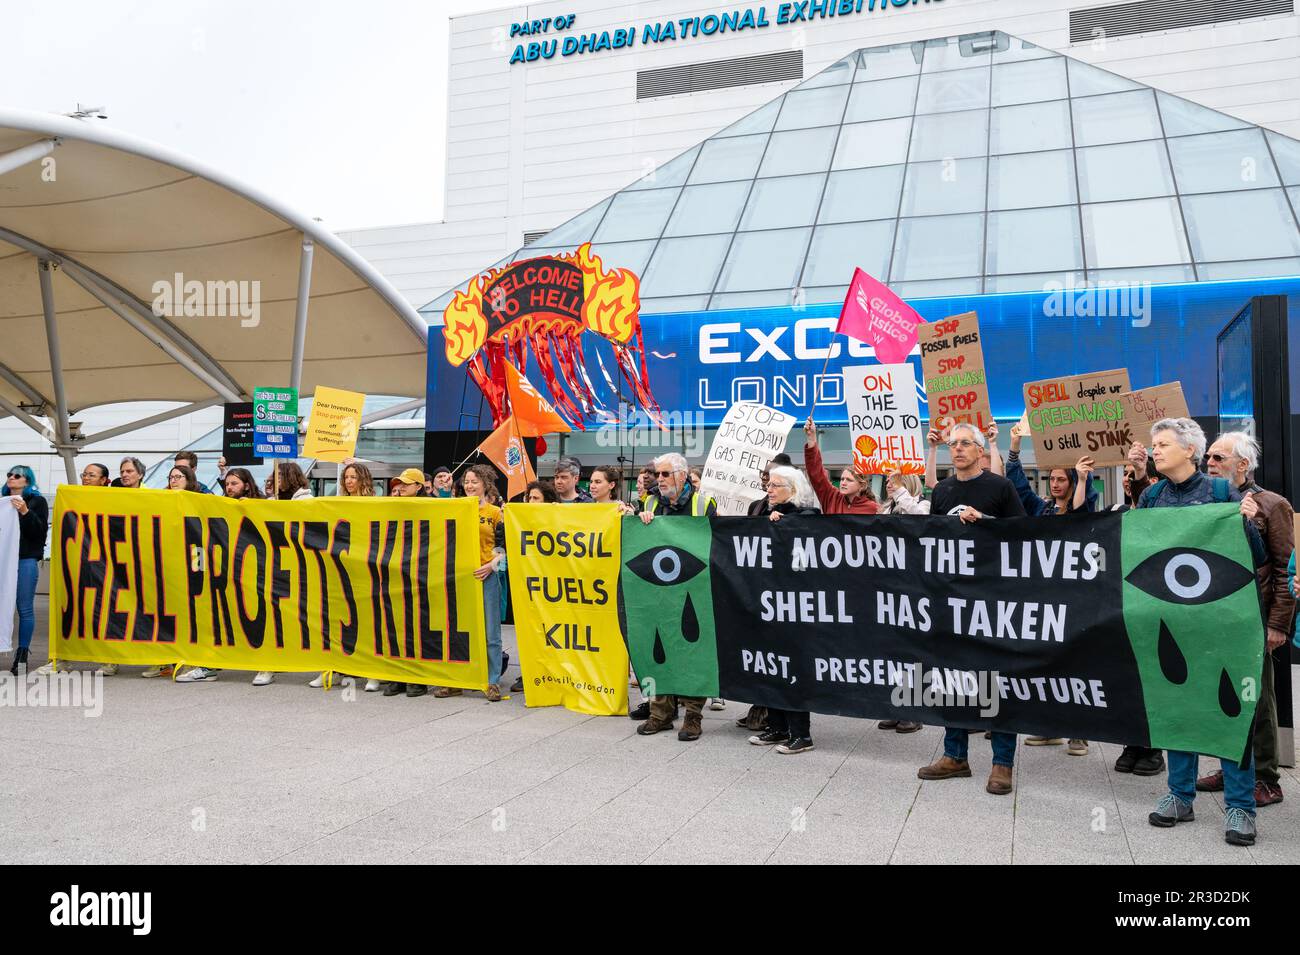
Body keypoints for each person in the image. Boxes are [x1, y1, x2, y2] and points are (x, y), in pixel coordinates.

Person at [1133, 419, 1265, 847]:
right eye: (1154, 444)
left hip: (1223, 623)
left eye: (1163, 444)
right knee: (1177, 707)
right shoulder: (1152, 496)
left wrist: (1247, 524)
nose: (1156, 450)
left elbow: (1257, 559)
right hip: (1172, 623)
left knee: (1232, 709)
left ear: (1190, 450)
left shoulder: (1224, 493)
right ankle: (1179, 795)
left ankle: (1240, 806)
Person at [916, 423, 1026, 796]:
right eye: (953, 444)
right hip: (951, 597)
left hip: (992, 596)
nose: (958, 449)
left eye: (965, 443)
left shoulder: (1000, 487)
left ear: (980, 451)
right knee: (952, 678)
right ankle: (955, 755)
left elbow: (1023, 534)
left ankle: (1002, 763)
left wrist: (987, 523)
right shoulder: (944, 490)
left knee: (996, 678)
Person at [1196, 432, 1294, 809]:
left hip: (1254, 619)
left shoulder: (1272, 505)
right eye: (1208, 457)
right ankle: (1233, 766)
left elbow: (1287, 569)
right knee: (1223, 695)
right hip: (1216, 617)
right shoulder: (1210, 501)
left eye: (1218, 457)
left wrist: (1278, 624)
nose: (1210, 463)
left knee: (1257, 698)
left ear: (1242, 465)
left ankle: (1267, 778)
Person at [1005, 424, 1098, 753]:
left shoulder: (1082, 505)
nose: (1056, 484)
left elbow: (1081, 510)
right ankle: (1049, 727)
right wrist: (1014, 446)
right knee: (1046, 663)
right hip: (1045, 595)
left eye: (1063, 479)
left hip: (1074, 597)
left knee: (1074, 663)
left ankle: (1078, 731)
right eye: (1054, 479)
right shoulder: (1041, 508)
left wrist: (1083, 478)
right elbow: (1016, 485)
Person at [634, 452, 717, 740]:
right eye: (657, 475)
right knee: (657, 651)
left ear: (682, 476)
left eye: (665, 474)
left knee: (692, 653)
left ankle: (693, 715)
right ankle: (660, 714)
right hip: (657, 592)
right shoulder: (651, 502)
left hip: (693, 592)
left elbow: (714, 544)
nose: (659, 480)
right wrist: (640, 518)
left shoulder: (703, 504)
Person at [747, 465, 821, 753]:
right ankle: (776, 727)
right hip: (769, 605)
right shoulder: (765, 514)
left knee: (794, 670)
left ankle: (801, 734)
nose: (770, 489)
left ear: (793, 489)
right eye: (770, 484)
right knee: (771, 666)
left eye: (777, 485)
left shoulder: (808, 516)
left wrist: (785, 523)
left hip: (795, 608)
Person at [433, 465, 506, 702]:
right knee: (457, 630)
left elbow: (504, 547)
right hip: (458, 577)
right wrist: (444, 491)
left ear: (485, 484)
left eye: (474, 481)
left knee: (490, 632)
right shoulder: (455, 507)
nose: (469, 485)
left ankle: (492, 681)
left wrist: (492, 565)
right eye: (466, 481)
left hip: (487, 576)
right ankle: (456, 681)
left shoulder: (497, 513)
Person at [313, 461, 375, 691]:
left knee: (366, 621)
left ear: (363, 480)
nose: (348, 481)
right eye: (346, 477)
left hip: (364, 569)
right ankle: (333, 669)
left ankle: (371, 672)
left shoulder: (373, 504)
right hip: (339, 568)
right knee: (336, 619)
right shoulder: (336, 503)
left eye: (353, 477)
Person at [5, 466, 48, 676]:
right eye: (9, 475)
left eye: (17, 475)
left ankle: (22, 654)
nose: (11, 478)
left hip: (25, 560)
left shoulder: (37, 502)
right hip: (4, 561)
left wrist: (24, 511)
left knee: (25, 608)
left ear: (27, 480)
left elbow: (39, 533)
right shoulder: (3, 503)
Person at [803, 418, 878, 515]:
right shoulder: (832, 497)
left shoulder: (873, 508)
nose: (843, 483)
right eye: (842, 479)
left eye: (849, 480)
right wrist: (811, 438)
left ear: (862, 486)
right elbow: (816, 473)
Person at [747, 453, 793, 518]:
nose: (763, 477)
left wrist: (785, 520)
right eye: (763, 473)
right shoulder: (754, 506)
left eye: (768, 474)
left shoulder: (795, 509)